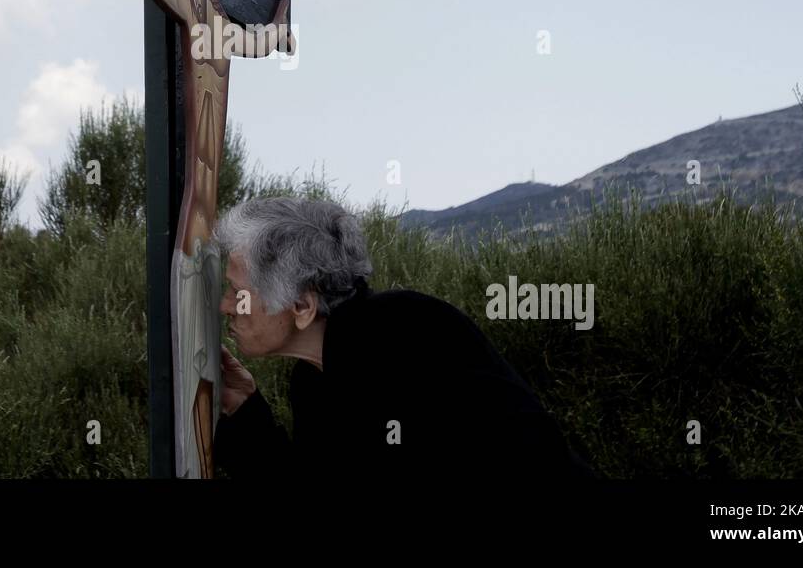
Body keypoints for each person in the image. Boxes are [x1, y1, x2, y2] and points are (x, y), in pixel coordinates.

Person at [213, 197, 596, 479]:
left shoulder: (407, 332)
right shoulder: (314, 381)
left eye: (238, 293)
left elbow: (525, 451)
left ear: (301, 306)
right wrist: (246, 409)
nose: (226, 306)